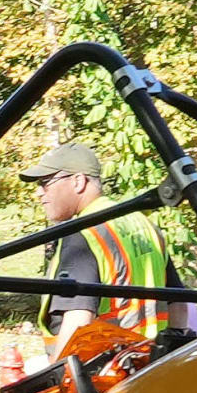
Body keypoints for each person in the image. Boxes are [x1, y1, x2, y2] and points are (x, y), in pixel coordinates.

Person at [21, 138, 182, 351]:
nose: (39, 193)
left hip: (103, 373)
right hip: (147, 365)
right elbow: (179, 302)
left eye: (45, 183)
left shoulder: (85, 233)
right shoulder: (143, 223)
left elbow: (78, 322)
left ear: (78, 181)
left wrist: (59, 377)